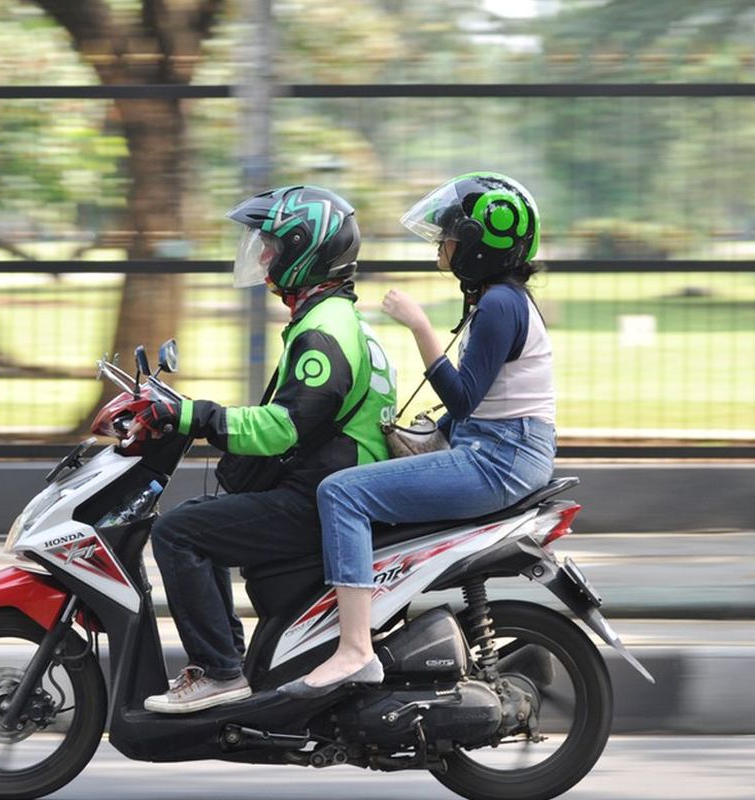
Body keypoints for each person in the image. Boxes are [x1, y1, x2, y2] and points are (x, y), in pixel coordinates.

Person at [280, 172, 557, 698]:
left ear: (479, 244)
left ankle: (355, 649)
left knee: (342, 493)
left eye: (451, 234)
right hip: (499, 449)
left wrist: (419, 326)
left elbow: (464, 397)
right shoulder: (500, 300)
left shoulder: (500, 305)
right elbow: (484, 404)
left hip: (499, 459)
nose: (442, 243)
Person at [136, 185, 397, 714]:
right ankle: (228, 663)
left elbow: (284, 428)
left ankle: (219, 672)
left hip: (321, 497)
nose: (263, 258)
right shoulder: (334, 320)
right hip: (326, 488)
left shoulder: (323, 333)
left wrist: (194, 416)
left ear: (306, 252)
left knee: (178, 532)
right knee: (200, 518)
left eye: (274, 247)